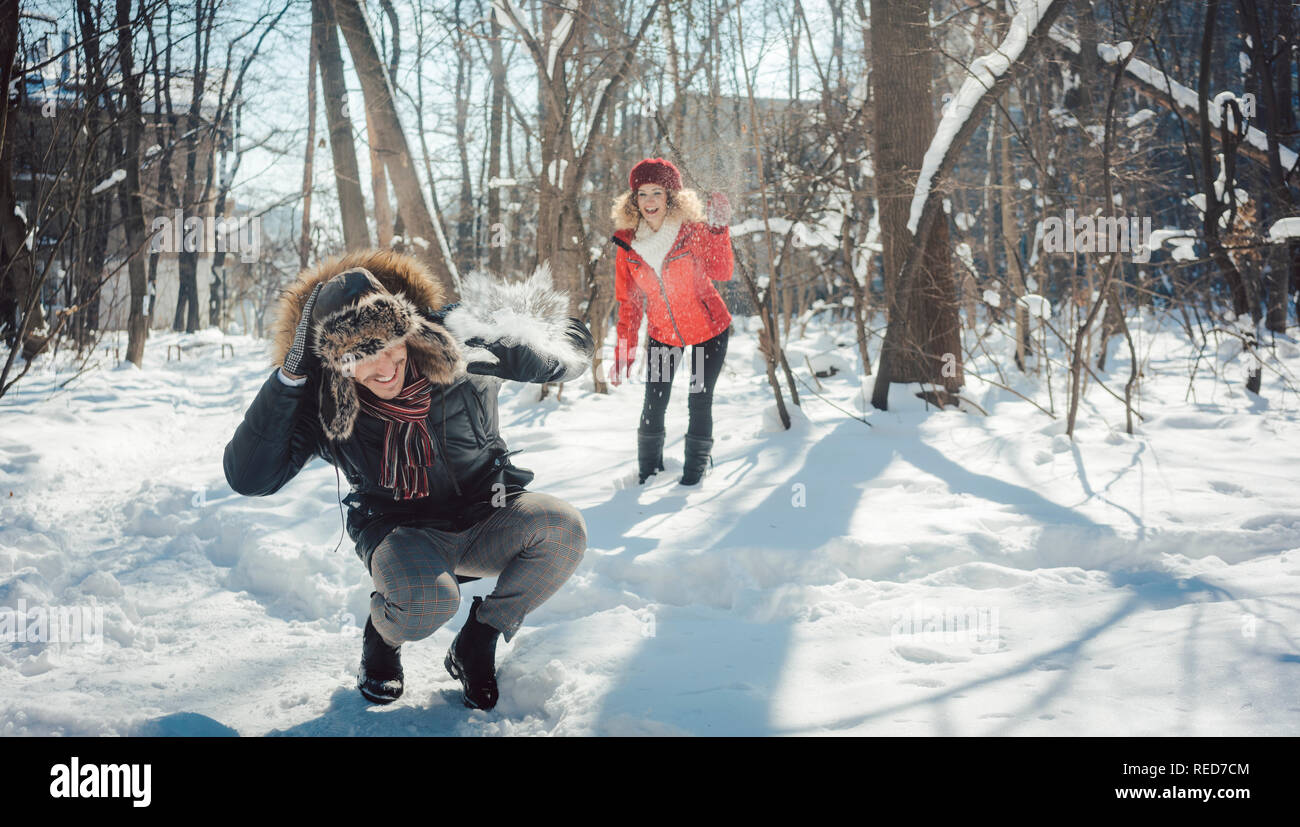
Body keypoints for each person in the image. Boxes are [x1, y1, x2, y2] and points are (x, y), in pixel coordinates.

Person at [223, 249, 594, 711]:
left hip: (486, 513)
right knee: (425, 604)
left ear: (406, 328)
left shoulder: (460, 344)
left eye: (388, 345)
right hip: (402, 532)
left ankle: (478, 641)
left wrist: (536, 356)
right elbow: (248, 477)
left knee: (564, 530)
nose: (383, 366)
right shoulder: (326, 406)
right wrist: (289, 378)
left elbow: (575, 348)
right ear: (337, 364)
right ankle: (382, 638)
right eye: (359, 356)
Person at [608, 157, 734, 486]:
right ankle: (647, 476)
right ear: (633, 200)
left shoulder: (692, 232)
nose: (650, 202)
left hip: (710, 331)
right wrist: (625, 348)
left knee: (699, 398)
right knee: (655, 402)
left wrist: (719, 230)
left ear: (671, 197)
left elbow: (723, 271)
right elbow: (629, 302)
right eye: (642, 194)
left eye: (657, 193)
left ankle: (693, 480)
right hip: (664, 335)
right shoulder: (628, 245)